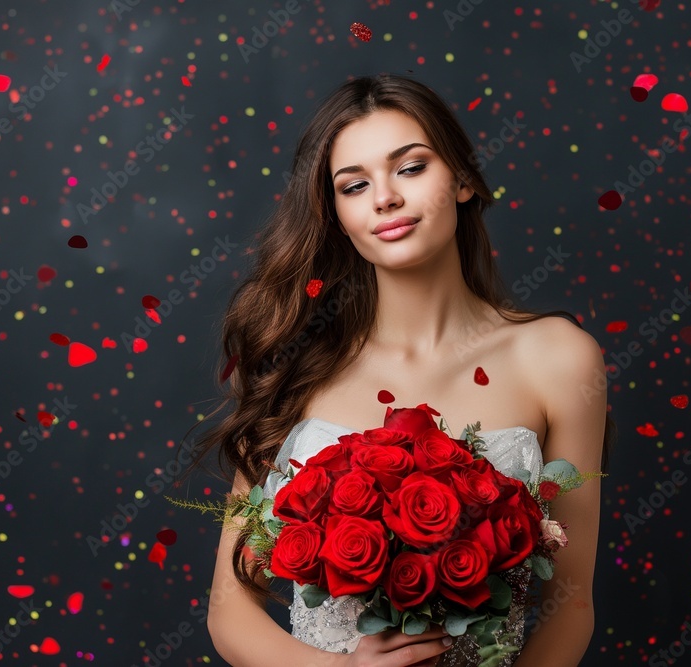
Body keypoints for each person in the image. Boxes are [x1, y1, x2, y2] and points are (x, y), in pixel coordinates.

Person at [177, 73, 616, 667]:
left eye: (410, 167)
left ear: (461, 179)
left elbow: (571, 605)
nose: (384, 197)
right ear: (335, 214)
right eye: (354, 185)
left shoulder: (560, 359)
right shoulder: (294, 363)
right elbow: (229, 609)